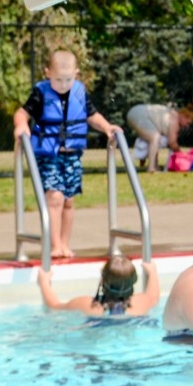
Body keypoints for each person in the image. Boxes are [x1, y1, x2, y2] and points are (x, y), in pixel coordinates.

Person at [14, 51, 125, 260]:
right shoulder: (40, 93)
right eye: (58, 80)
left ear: (76, 74)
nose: (63, 84)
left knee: (69, 201)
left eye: (68, 79)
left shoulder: (79, 92)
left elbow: (92, 116)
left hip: (73, 155)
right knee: (54, 198)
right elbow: (22, 113)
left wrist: (107, 128)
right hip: (49, 155)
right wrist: (21, 126)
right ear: (48, 73)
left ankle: (64, 244)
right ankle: (54, 244)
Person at [38, 250, 161, 320]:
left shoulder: (86, 304)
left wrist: (44, 282)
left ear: (102, 280)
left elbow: (54, 306)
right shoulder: (140, 303)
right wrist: (152, 272)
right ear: (133, 281)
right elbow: (154, 296)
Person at [126, 102, 193, 172]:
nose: (186, 126)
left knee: (156, 139)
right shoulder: (175, 121)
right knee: (155, 137)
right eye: (187, 123)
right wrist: (181, 153)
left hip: (136, 111)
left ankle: (155, 165)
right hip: (140, 115)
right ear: (183, 116)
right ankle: (151, 168)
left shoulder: (172, 114)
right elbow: (172, 142)